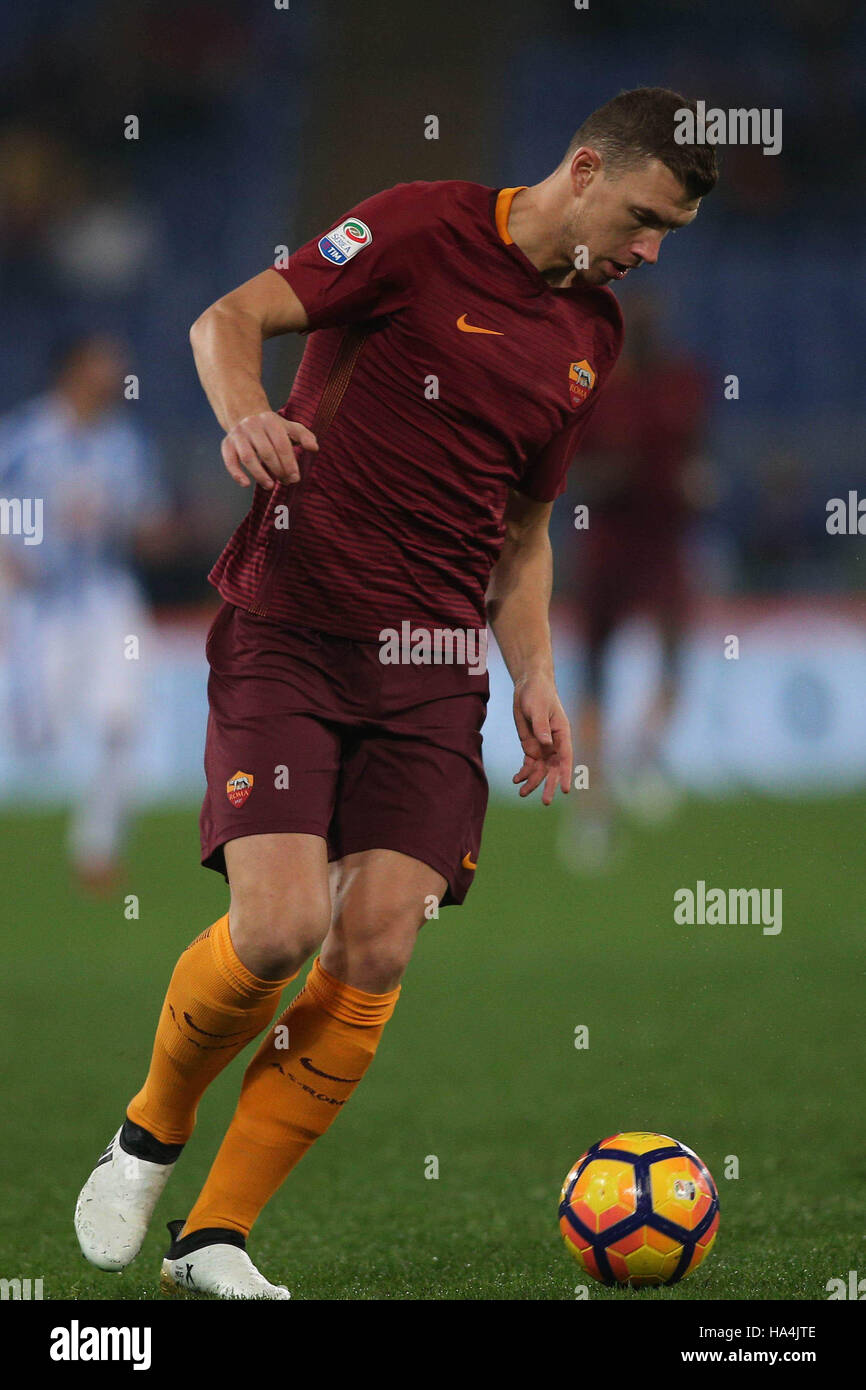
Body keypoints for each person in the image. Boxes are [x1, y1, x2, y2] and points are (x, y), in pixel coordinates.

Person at [74, 87, 716, 1298]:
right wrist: (246, 417)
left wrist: (534, 674)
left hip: (432, 669)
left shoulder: (592, 332)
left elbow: (523, 532)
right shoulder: (420, 227)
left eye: (667, 234)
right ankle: (150, 1130)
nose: (647, 250)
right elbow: (226, 320)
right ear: (584, 170)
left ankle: (214, 1236)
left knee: (373, 946)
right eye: (641, 219)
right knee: (278, 930)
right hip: (294, 625)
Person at [0, 333, 169, 892]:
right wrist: (21, 548)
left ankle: (97, 849)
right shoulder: (26, 436)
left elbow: (146, 519)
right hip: (41, 601)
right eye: (104, 362)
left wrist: (150, 527)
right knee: (38, 735)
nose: (117, 372)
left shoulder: (126, 443)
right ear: (72, 369)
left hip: (107, 593)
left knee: (124, 718)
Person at [559, 294, 714, 870]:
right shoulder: (595, 387)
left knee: (675, 656)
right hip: (606, 546)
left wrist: (696, 481)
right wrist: (612, 477)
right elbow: (570, 473)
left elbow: (697, 451)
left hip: (666, 541)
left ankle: (641, 753)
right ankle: (592, 807)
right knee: (593, 673)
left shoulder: (685, 382)